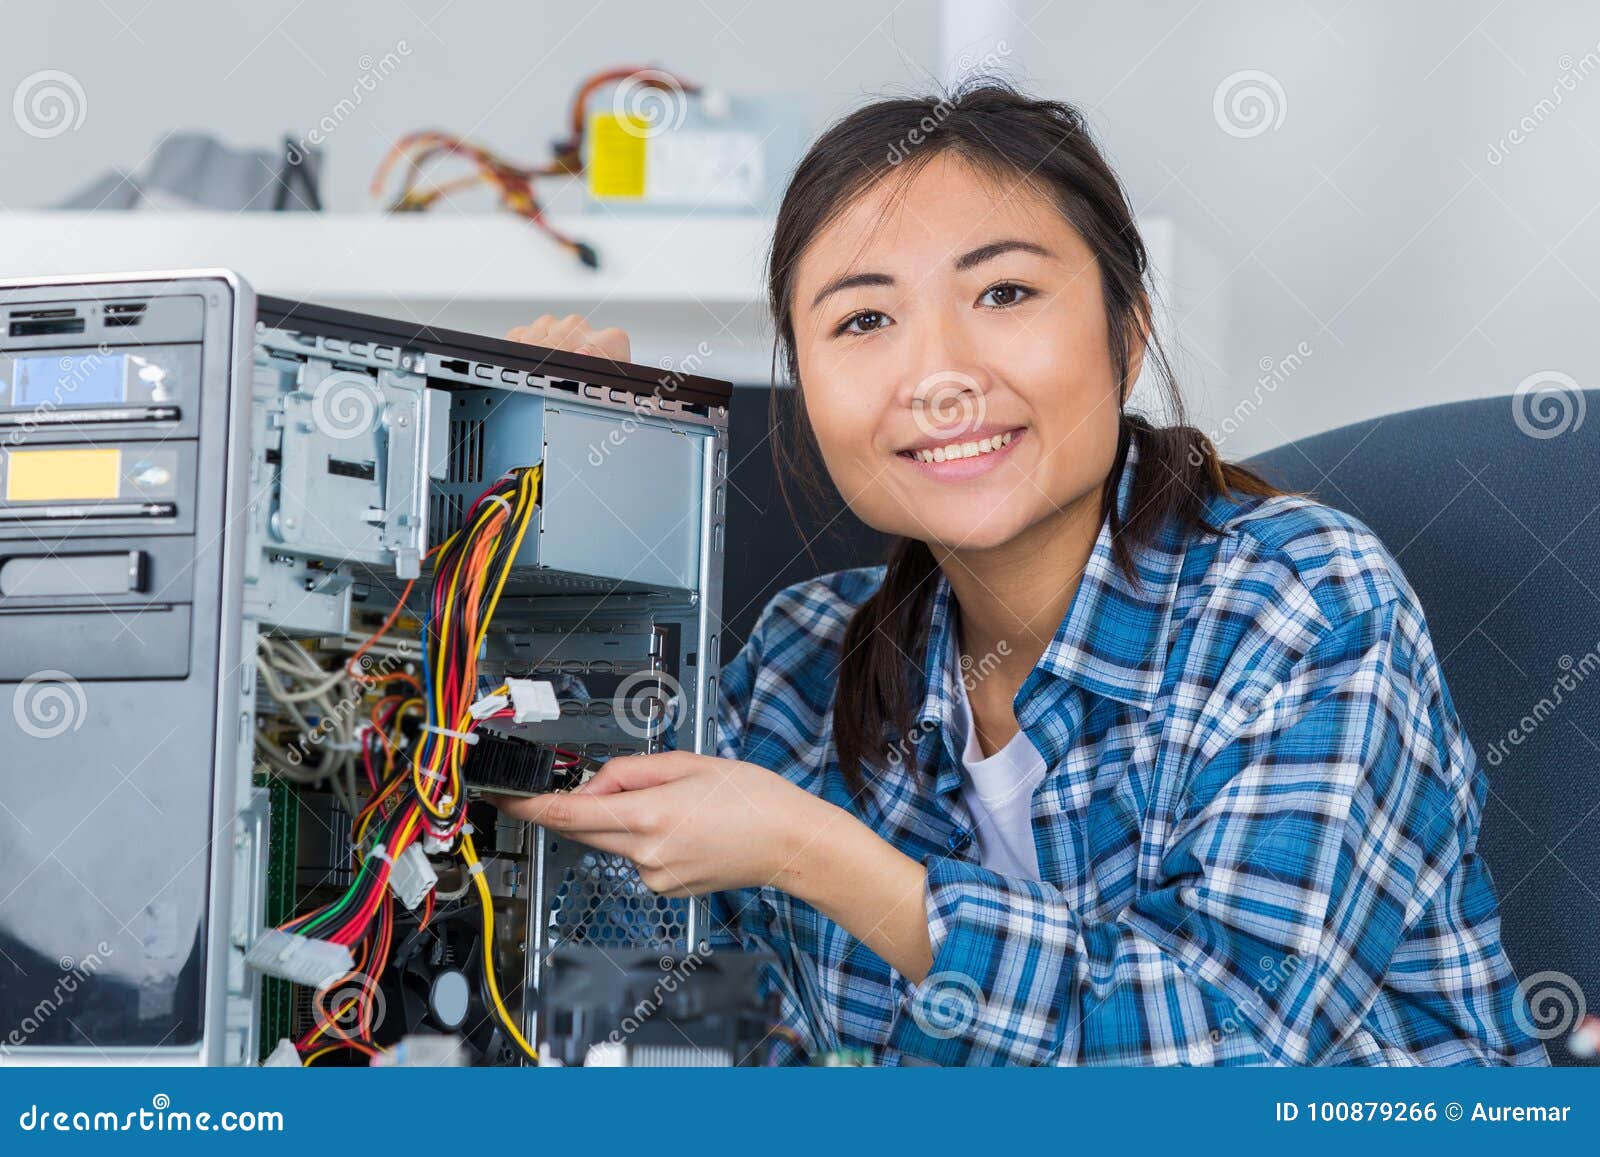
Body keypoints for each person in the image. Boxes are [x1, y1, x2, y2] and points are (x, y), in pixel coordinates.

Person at [493, 84, 1547, 1066]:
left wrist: (809, 851)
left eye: (1003, 291)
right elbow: (654, 1021)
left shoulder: (1298, 604)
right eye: (863, 319)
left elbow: (1227, 1054)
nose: (939, 374)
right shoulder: (801, 660)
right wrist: (560, 564)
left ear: (1126, 333)